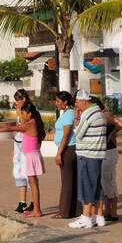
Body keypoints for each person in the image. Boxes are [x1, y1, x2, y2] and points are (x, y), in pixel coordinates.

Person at [0, 87, 45, 216]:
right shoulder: (31, 122)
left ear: (29, 114)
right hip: (29, 153)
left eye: (23, 114)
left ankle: (36, 209)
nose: (20, 115)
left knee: (33, 183)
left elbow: (12, 128)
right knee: (28, 179)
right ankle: (31, 206)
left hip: (29, 156)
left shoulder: (28, 124)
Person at [69, 88, 107, 229]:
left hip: (87, 154)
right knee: (97, 185)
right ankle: (99, 215)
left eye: (77, 102)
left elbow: (78, 133)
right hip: (97, 154)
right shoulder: (99, 113)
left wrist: (77, 118)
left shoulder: (88, 114)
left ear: (84, 101)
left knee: (86, 185)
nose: (76, 105)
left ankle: (86, 217)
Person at [94, 96, 122, 221]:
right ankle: (108, 209)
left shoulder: (105, 115)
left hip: (109, 151)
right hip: (104, 151)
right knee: (104, 182)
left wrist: (112, 134)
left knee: (109, 181)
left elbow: (120, 124)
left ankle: (114, 211)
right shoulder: (100, 115)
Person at [51, 89, 77, 219]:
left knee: (67, 182)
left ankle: (65, 211)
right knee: (71, 180)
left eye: (58, 101)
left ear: (65, 102)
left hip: (68, 149)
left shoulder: (69, 115)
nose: (56, 103)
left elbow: (66, 136)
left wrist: (59, 153)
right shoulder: (68, 113)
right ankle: (74, 210)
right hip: (69, 149)